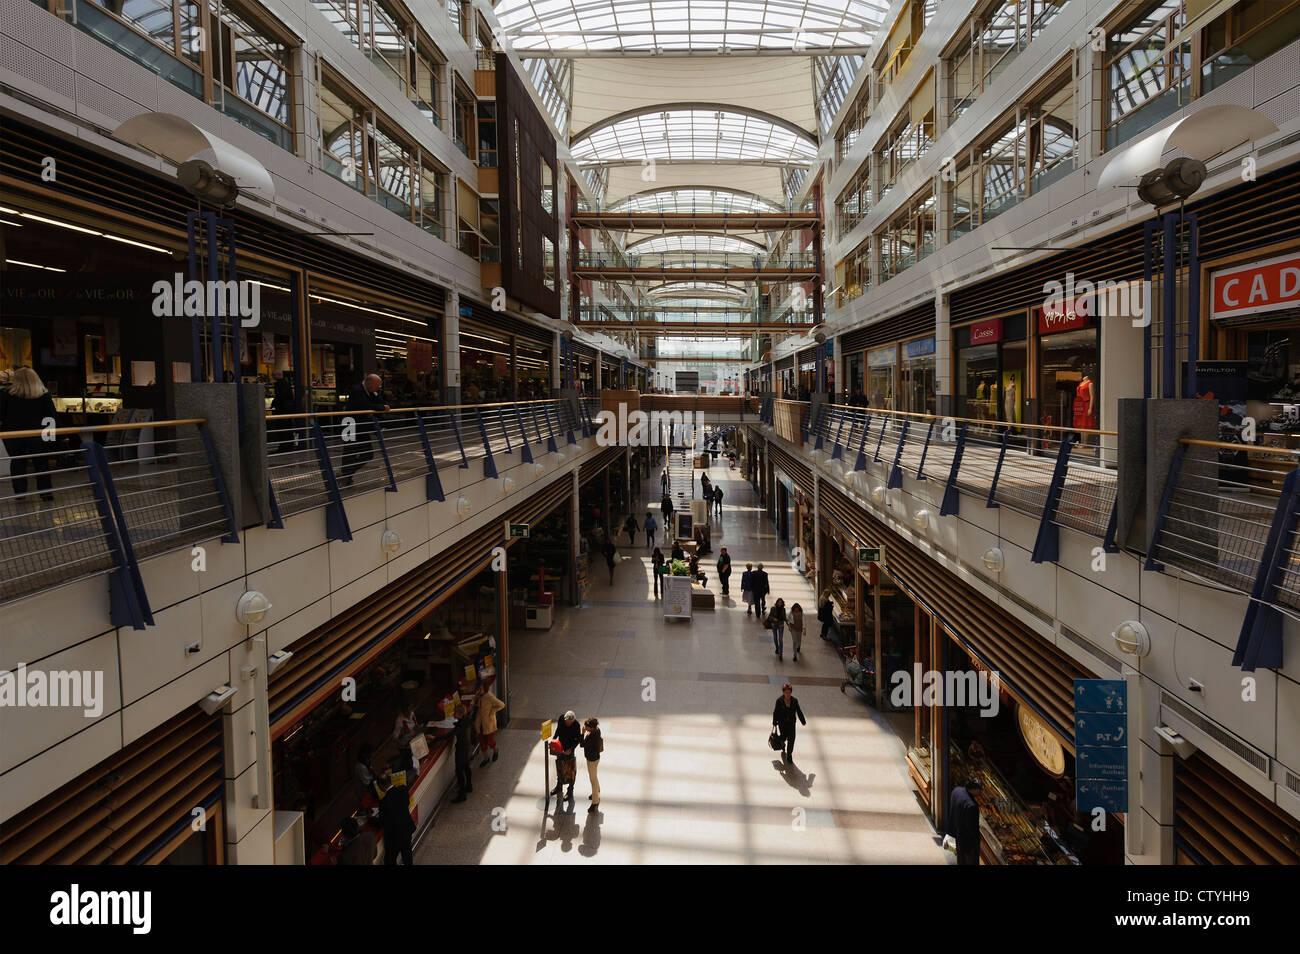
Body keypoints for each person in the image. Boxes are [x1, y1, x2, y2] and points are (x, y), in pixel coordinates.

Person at [0, 367, 58, 502]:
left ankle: (20, 493)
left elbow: (2, 415)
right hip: (39, 434)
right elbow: (51, 416)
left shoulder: (6, 394)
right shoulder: (43, 395)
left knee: (17, 461)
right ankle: (46, 493)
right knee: (42, 462)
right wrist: (54, 436)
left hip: (14, 435)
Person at [340, 373, 389, 486]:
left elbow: (380, 403)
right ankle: (346, 477)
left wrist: (376, 407)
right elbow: (366, 406)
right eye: (377, 386)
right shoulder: (357, 391)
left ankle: (346, 475)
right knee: (350, 452)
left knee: (367, 453)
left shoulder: (372, 392)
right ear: (369, 383)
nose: (379, 388)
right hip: (350, 425)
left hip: (361, 426)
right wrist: (379, 408)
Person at [378, 774, 414, 865]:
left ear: (381, 786)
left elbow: (382, 822)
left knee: (389, 860)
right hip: (406, 829)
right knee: (407, 855)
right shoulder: (403, 789)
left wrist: (370, 819)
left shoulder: (384, 802)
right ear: (391, 781)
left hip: (394, 836)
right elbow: (406, 803)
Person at [948, 777, 983, 866]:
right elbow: (972, 827)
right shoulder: (972, 805)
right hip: (968, 843)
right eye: (979, 789)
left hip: (956, 834)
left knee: (960, 860)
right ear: (974, 789)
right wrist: (977, 841)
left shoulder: (956, 791)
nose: (980, 792)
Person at [771, 682, 806, 765]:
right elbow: (775, 712)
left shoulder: (794, 701)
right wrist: (774, 722)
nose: (787, 694)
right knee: (783, 737)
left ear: (791, 692)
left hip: (791, 724)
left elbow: (799, 711)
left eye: (789, 692)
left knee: (792, 739)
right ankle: (782, 745)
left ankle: (789, 755)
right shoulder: (779, 701)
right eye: (786, 692)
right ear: (783, 692)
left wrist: (803, 721)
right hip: (782, 724)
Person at [551, 710, 582, 803]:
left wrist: (571, 749)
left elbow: (578, 740)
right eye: (566, 721)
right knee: (559, 767)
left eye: (569, 722)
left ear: (572, 721)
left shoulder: (576, 725)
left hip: (569, 750)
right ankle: (559, 786)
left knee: (570, 770)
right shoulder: (561, 718)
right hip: (560, 747)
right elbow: (558, 730)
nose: (567, 723)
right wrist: (554, 740)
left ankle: (570, 791)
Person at [450, 703, 474, 803]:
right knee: (467, 768)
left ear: (459, 714)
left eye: (454, 713)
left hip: (461, 751)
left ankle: (462, 794)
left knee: (459, 772)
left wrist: (435, 738)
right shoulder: (467, 720)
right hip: (468, 748)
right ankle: (469, 786)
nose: (453, 714)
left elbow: (450, 734)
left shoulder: (460, 725)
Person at [475, 688, 505, 767]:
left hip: (488, 723)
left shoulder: (489, 696)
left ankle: (495, 750)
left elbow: (502, 704)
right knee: (482, 742)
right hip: (480, 723)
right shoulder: (478, 695)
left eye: (480, 689)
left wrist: (493, 711)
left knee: (489, 741)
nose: (478, 691)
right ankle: (486, 758)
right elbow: (474, 700)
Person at [270, 372, 297, 455]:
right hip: (288, 410)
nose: (273, 376)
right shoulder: (286, 384)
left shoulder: (279, 384)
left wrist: (273, 404)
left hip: (282, 410)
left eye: (274, 375)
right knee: (288, 428)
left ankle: (284, 446)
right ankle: (289, 445)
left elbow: (279, 396)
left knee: (282, 429)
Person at [581, 717, 602, 813]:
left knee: (592, 780)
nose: (585, 727)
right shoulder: (597, 731)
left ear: (592, 728)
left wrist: (582, 733)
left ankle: (595, 802)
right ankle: (596, 792)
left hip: (591, 760)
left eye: (587, 727)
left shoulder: (592, 737)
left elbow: (582, 744)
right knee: (594, 776)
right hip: (596, 758)